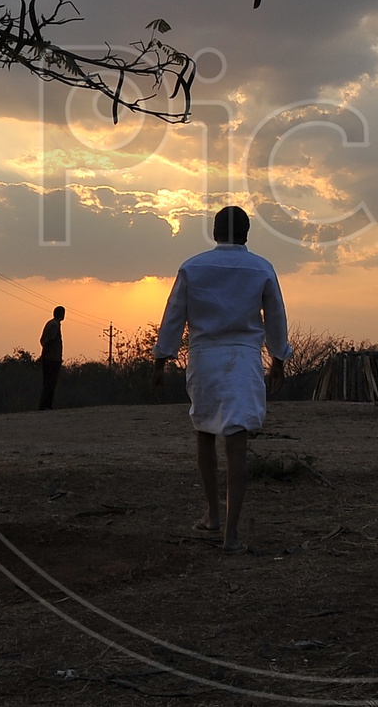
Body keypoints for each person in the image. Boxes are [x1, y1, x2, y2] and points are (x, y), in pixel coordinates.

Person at [152, 206, 291, 553]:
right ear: (246, 234)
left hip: (204, 358)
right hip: (243, 359)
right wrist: (278, 359)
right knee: (237, 440)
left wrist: (161, 359)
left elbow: (173, 316)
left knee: (204, 432)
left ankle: (213, 514)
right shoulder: (261, 267)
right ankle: (230, 534)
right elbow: (275, 317)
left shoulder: (193, 266)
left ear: (215, 233)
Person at [38, 306, 64, 411]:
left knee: (48, 382)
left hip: (50, 357)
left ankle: (45, 405)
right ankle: (45, 405)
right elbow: (49, 340)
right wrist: (47, 353)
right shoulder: (54, 325)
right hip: (52, 358)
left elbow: (42, 340)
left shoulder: (51, 323)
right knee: (50, 382)